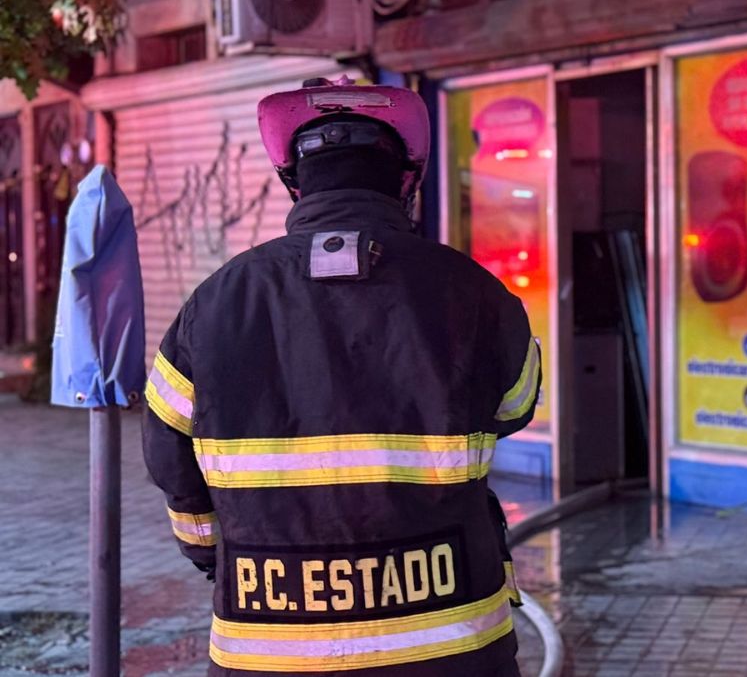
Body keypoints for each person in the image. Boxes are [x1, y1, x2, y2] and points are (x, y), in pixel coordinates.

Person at [142, 76, 540, 675]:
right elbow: (516, 405)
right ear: (405, 182)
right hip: (451, 643)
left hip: (268, 646)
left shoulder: (215, 303)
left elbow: (166, 445)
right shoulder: (474, 292)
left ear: (296, 185)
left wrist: (214, 552)